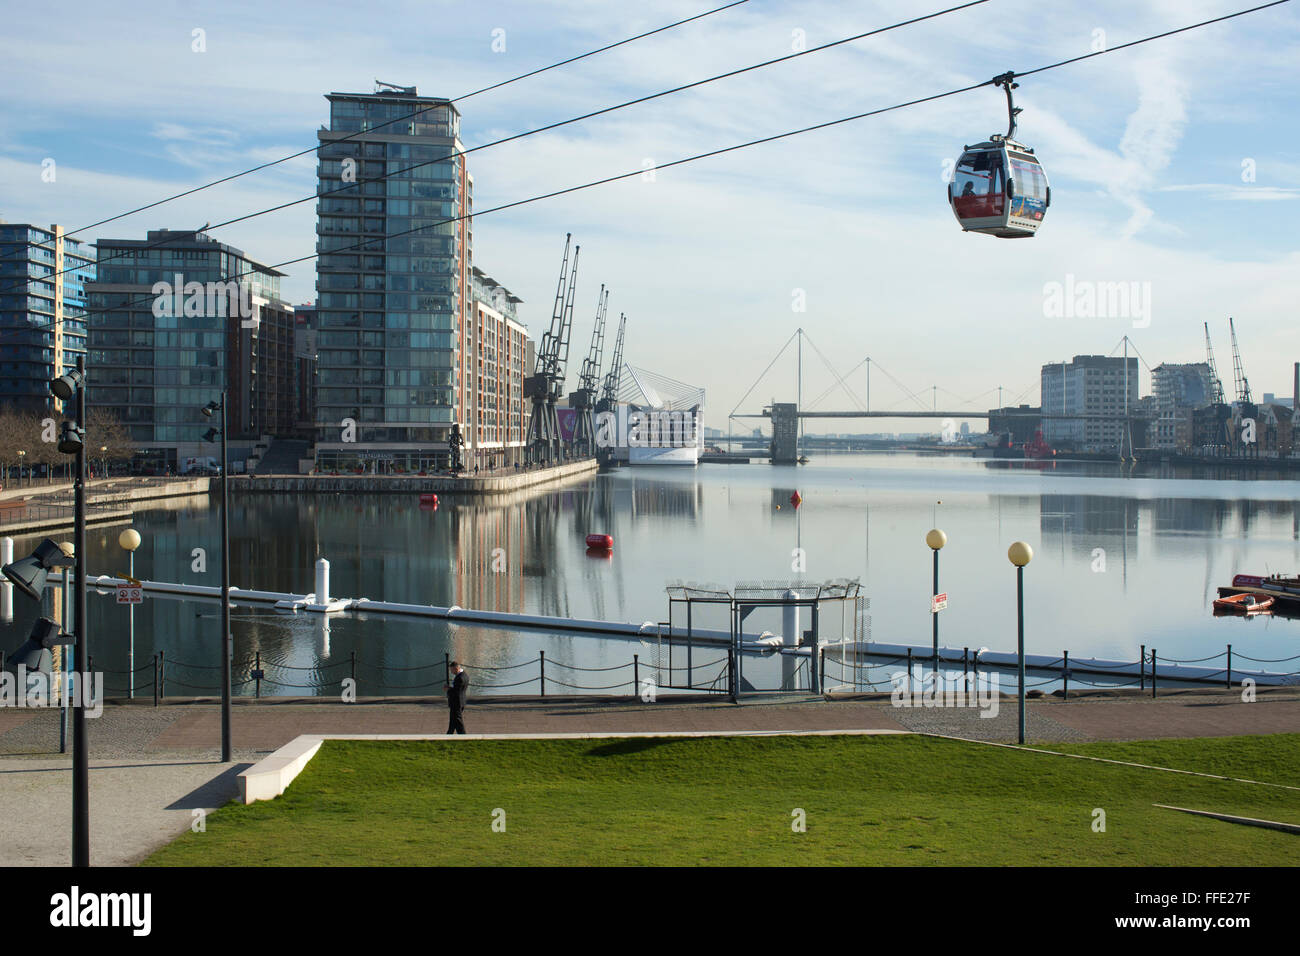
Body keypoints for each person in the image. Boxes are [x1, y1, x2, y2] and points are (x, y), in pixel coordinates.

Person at [444, 661, 468, 734]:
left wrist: (448, 689)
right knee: (453, 721)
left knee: (457, 721)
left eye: (452, 670)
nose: (451, 672)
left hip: (457, 702)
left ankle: (463, 736)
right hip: (460, 701)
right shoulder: (464, 675)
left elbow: (456, 692)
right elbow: (458, 689)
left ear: (456, 668)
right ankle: (449, 734)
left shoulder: (459, 678)